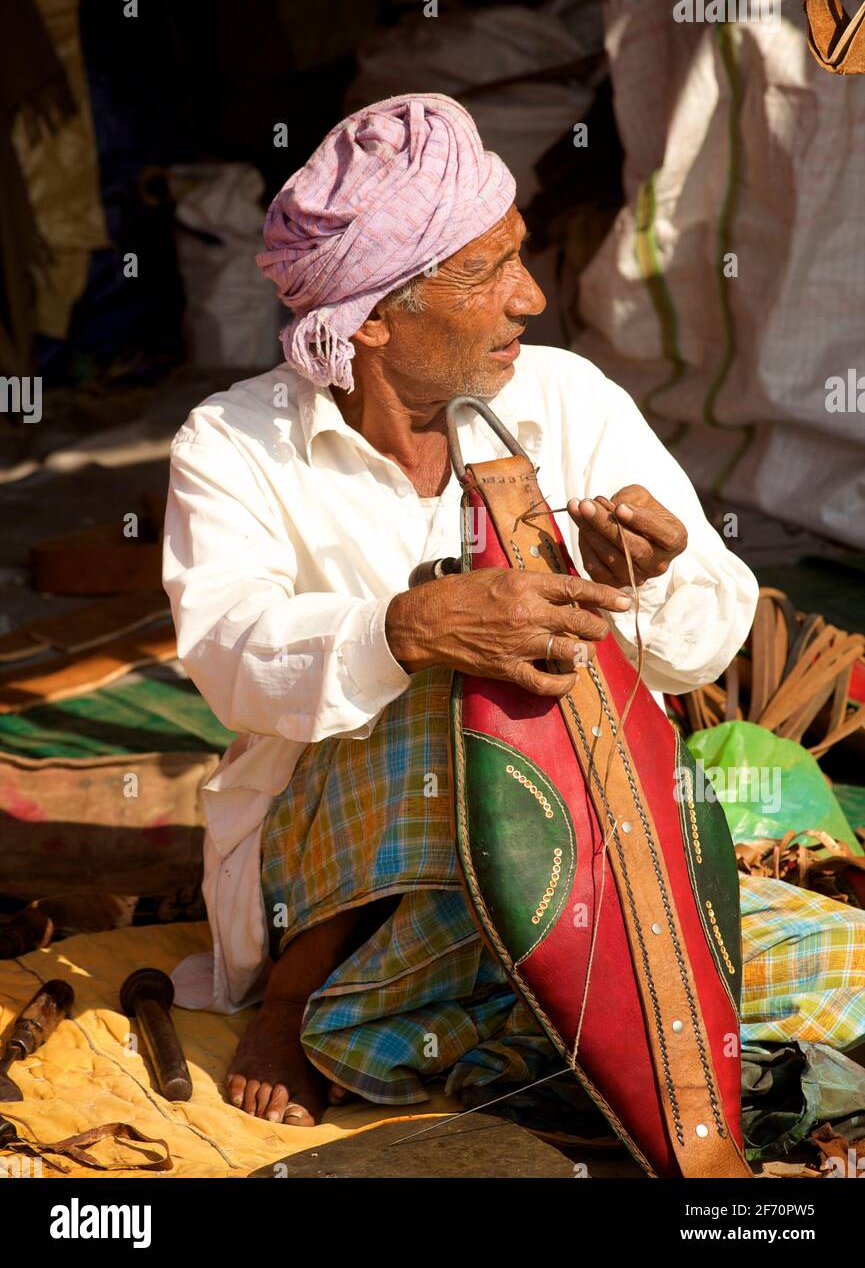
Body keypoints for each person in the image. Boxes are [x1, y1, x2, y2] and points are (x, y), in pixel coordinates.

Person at [164, 94, 863, 1130]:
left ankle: (490, 1030)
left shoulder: (565, 397)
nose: (529, 298)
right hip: (338, 892)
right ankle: (297, 999)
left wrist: (645, 577)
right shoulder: (230, 444)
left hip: (587, 860)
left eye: (518, 256)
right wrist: (407, 629)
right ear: (374, 315)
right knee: (452, 679)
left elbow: (705, 637)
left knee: (842, 969)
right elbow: (228, 653)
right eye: (487, 272)